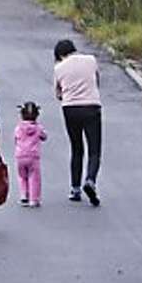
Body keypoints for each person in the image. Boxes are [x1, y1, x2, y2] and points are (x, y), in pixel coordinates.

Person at [53, 38, 104, 205]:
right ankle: (90, 180)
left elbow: (58, 94)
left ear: (60, 55)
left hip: (70, 109)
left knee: (77, 148)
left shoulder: (59, 68)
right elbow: (97, 81)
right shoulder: (91, 60)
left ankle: (75, 189)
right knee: (94, 149)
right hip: (91, 107)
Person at [14, 101, 47, 207]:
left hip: (20, 156)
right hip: (33, 157)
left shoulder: (18, 128)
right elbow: (44, 137)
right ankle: (34, 199)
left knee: (22, 176)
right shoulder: (38, 128)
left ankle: (24, 195)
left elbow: (15, 139)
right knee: (34, 177)